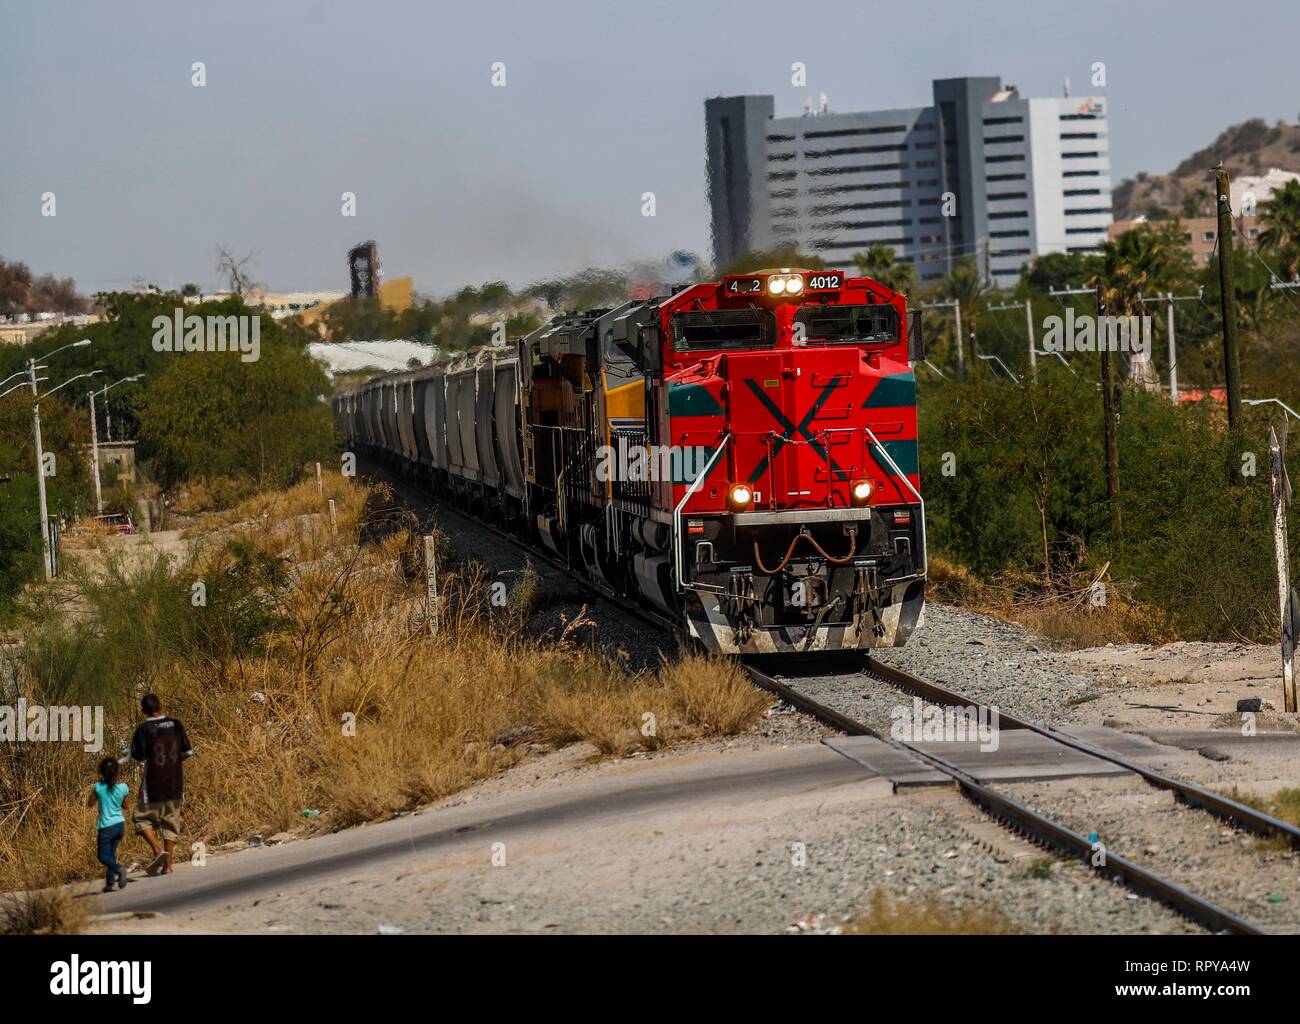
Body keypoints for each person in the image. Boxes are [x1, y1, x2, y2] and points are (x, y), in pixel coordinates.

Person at [129, 693, 194, 876]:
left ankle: (157, 849)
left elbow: (139, 757)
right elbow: (188, 752)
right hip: (175, 782)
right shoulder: (176, 724)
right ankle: (168, 866)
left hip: (153, 784)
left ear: (143, 710)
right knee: (171, 823)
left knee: (140, 818)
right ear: (161, 705)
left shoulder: (144, 729)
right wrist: (173, 764)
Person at [87, 757, 130, 892]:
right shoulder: (123, 787)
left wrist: (95, 791)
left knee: (102, 856)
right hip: (119, 826)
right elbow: (126, 806)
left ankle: (120, 869)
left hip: (106, 827)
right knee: (110, 854)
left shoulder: (99, 787)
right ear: (116, 772)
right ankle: (110, 883)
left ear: (102, 772)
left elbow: (90, 804)